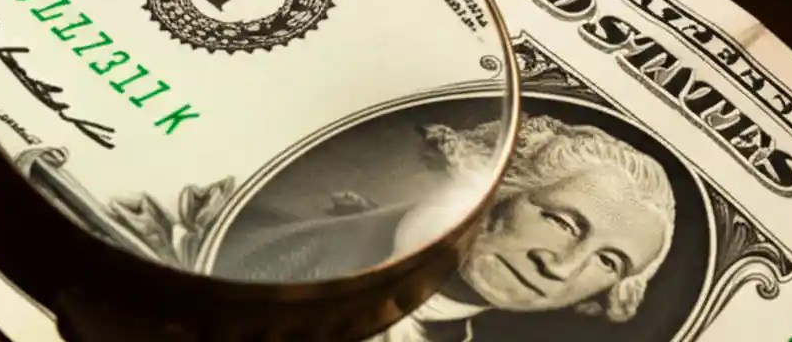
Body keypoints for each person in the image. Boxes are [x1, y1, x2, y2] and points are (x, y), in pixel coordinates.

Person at [213, 114, 677, 341]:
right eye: (560, 221)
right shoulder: (232, 224)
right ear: (495, 185)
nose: (562, 267)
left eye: (609, 261)